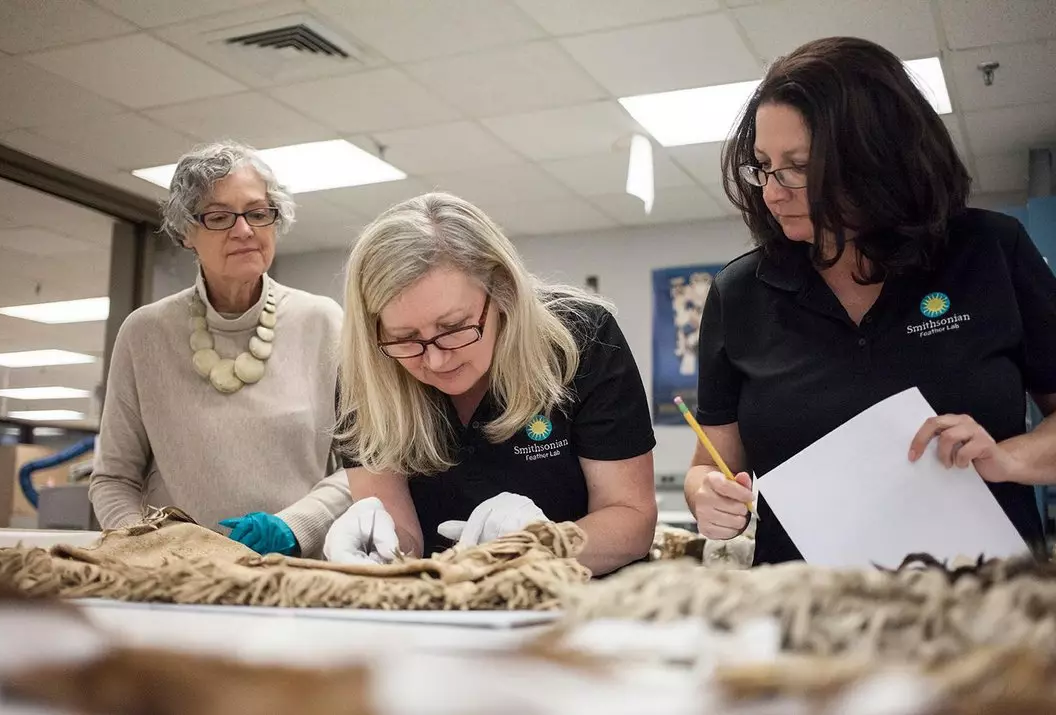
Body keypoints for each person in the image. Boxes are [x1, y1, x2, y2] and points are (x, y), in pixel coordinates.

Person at [685, 37, 1056, 564]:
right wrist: (708, 494)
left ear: (880, 161)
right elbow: (710, 465)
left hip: (982, 608)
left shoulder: (990, 251)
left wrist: (1008, 459)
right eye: (763, 165)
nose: (771, 192)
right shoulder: (741, 293)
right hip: (811, 613)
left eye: (799, 167)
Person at [323, 192, 657, 575]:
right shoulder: (366, 371)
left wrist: (546, 545)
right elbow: (403, 540)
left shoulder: (581, 340)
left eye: (453, 328)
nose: (435, 359)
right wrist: (376, 547)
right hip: (442, 608)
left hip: (578, 602)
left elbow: (632, 521)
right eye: (404, 338)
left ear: (502, 291)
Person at [89, 141, 352, 557]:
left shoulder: (323, 322)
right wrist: (147, 549)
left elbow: (364, 469)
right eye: (219, 217)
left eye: (258, 212)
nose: (244, 230)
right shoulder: (144, 334)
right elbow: (113, 480)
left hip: (297, 577)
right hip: (178, 583)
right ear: (185, 231)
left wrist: (295, 525)